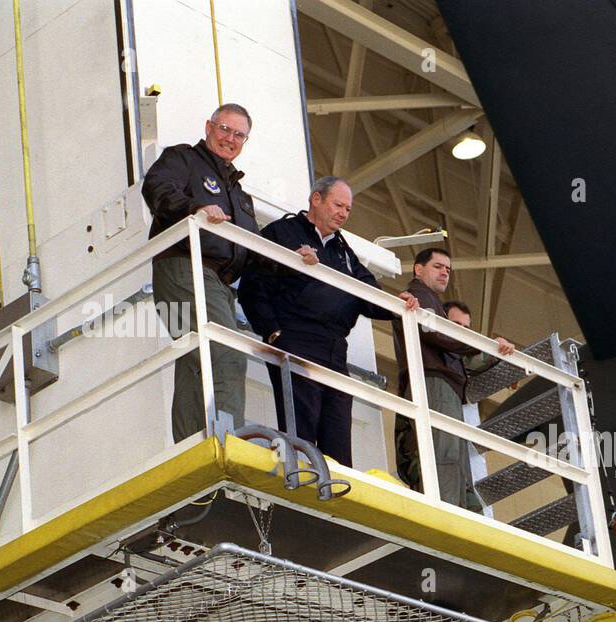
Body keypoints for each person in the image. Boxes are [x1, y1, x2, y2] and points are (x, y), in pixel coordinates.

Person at [238, 176, 418, 466]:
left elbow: (369, 294)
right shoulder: (283, 232)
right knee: (302, 428)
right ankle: (301, 486)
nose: (343, 214)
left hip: (335, 348)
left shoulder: (344, 251)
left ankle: (332, 493)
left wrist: (400, 304)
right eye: (338, 205)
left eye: (348, 209)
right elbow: (252, 285)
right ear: (316, 199)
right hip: (296, 339)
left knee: (337, 435)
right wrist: (272, 332)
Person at [143, 103, 260, 442]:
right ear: (209, 127)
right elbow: (157, 188)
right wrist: (195, 208)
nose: (230, 139)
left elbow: (252, 250)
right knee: (225, 351)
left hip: (220, 284)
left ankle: (191, 448)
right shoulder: (183, 159)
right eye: (225, 129)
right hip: (185, 266)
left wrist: (292, 257)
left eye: (239, 135)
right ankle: (227, 445)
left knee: (197, 358)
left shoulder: (240, 196)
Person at [392, 251, 514, 509]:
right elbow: (439, 335)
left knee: (454, 460)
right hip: (434, 382)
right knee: (445, 457)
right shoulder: (420, 296)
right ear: (418, 269)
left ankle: (457, 512)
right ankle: (447, 512)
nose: (445, 272)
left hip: (442, 386)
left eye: (448, 268)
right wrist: (484, 345)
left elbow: (460, 355)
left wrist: (497, 357)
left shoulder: (429, 300)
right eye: (438, 266)